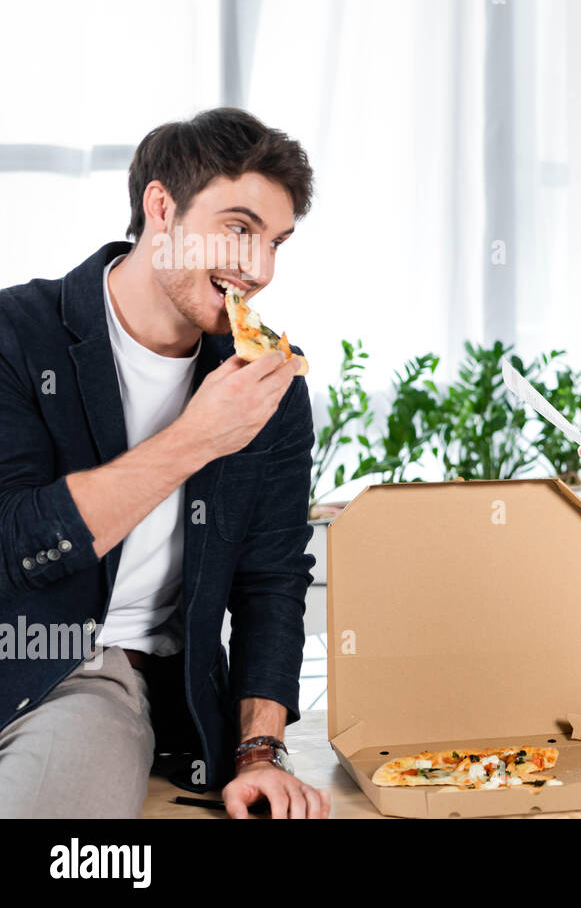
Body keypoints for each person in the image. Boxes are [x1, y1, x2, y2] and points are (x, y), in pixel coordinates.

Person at [0, 108, 330, 818]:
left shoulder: (268, 382)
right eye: (239, 229)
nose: (260, 268)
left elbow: (272, 578)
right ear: (161, 208)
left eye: (276, 242)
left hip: (93, 676)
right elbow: (15, 542)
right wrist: (196, 437)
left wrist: (259, 751)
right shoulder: (17, 337)